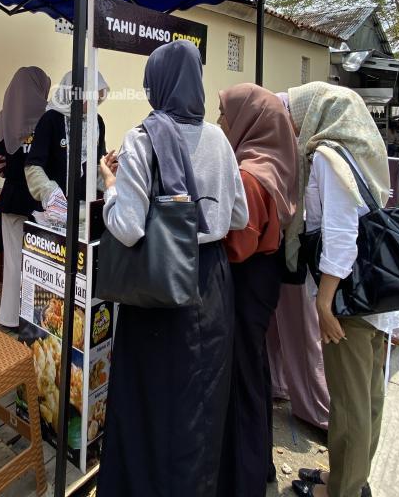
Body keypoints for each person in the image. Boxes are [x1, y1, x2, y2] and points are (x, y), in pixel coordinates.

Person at [96, 40, 249, 497]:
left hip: (160, 288)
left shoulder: (142, 139)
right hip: (214, 284)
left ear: (158, 85)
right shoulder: (220, 139)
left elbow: (126, 228)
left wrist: (110, 185)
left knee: (155, 403)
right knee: (202, 402)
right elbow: (238, 217)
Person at [287, 82, 399, 497]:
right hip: (375, 294)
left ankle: (342, 491)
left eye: (296, 115)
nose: (293, 124)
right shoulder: (360, 151)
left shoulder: (328, 156)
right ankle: (345, 478)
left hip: (349, 300)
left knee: (350, 401)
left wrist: (325, 301)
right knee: (367, 395)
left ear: (316, 114)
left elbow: (340, 233)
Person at [216, 84, 299, 497]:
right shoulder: (275, 160)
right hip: (264, 278)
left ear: (249, 121)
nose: (219, 123)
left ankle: (242, 478)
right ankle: (260, 462)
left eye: (224, 115)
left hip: (247, 279)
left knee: (242, 379)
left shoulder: (249, 176)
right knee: (256, 371)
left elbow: (235, 244)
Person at [265, 92, 331, 432]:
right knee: (277, 330)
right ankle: (279, 385)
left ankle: (318, 409)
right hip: (283, 253)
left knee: (303, 333)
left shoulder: (312, 154)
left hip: (297, 256)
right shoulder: (288, 149)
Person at [0, 67, 51, 329]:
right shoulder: (50, 119)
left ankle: (10, 319)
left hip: (12, 198)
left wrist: (13, 173)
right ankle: (39, 322)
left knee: (13, 262)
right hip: (41, 204)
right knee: (42, 263)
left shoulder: (3, 119)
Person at [24, 69, 109, 212]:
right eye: (93, 98)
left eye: (99, 99)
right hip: (54, 208)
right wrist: (50, 193)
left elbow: (97, 163)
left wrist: (110, 174)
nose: (97, 103)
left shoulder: (97, 122)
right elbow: (33, 166)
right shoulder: (51, 119)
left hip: (86, 207)